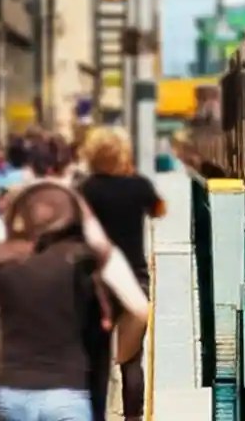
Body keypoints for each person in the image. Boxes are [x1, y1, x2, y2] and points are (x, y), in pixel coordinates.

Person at [0, 182, 149, 421]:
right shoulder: (85, 257)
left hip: (12, 393)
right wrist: (121, 354)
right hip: (68, 394)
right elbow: (139, 310)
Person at [77, 126, 166, 421]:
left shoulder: (87, 188)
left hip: (98, 281)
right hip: (135, 279)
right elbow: (160, 210)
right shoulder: (138, 185)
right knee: (132, 360)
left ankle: (95, 415)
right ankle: (132, 417)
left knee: (97, 356)